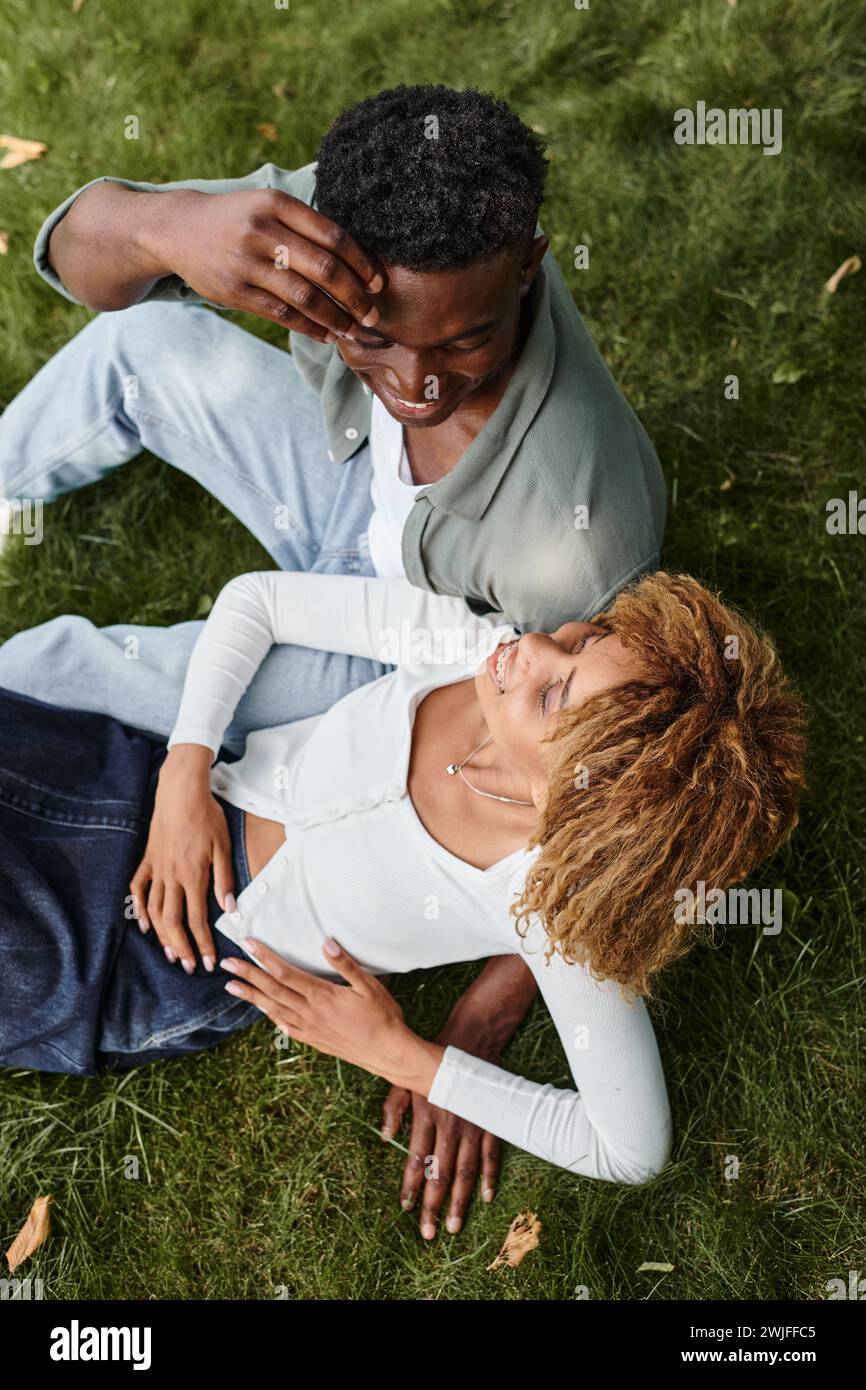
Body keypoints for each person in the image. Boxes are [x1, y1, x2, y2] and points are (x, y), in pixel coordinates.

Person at [0, 83, 666, 1232]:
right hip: (351, 528)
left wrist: (468, 1023)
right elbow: (77, 249)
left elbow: (608, 813)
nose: (416, 386)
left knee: (52, 667)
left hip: (401, 661)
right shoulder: (345, 223)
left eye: (464, 341)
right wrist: (159, 224)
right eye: (375, 338)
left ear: (529, 265)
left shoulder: (566, 567)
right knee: (139, 338)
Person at [0, 568, 806, 1208]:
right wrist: (188, 763)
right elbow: (259, 600)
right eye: (583, 637)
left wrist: (410, 1059)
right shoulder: (469, 647)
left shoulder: (548, 907)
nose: (534, 647)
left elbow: (630, 1149)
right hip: (147, 790)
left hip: (175, 952)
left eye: (554, 693)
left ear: (579, 801)